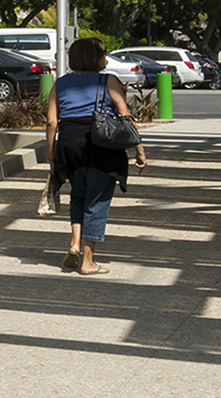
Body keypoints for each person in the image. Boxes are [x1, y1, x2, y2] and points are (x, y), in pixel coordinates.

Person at [48, 36, 148, 275]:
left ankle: (74, 244)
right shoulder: (107, 80)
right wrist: (139, 149)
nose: (105, 58)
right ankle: (88, 261)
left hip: (69, 144)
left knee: (79, 195)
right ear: (95, 58)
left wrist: (52, 156)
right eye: (103, 54)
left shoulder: (60, 84)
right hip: (100, 144)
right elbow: (125, 116)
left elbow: (52, 122)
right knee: (98, 201)